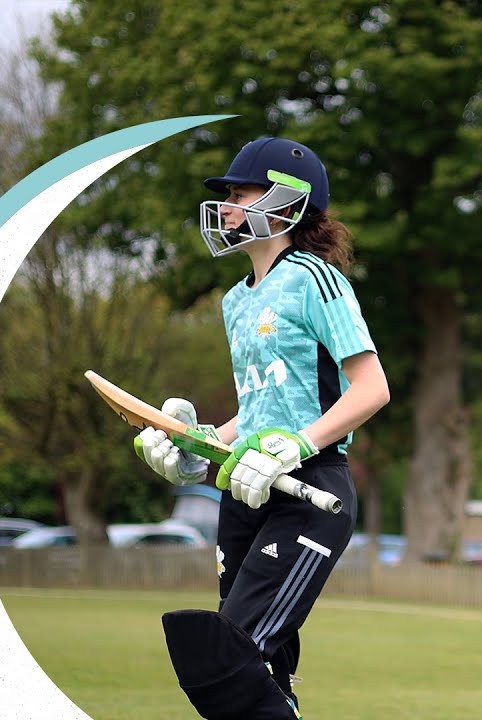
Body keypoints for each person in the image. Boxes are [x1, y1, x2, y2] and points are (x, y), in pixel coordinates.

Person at [134, 136, 390, 720]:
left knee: (227, 658)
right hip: (244, 490)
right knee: (257, 673)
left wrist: (298, 443)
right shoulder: (234, 301)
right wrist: (199, 445)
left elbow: (372, 388)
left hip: (309, 489)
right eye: (226, 196)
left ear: (285, 202)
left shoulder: (315, 279)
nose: (225, 206)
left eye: (239, 194)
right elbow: (258, 410)